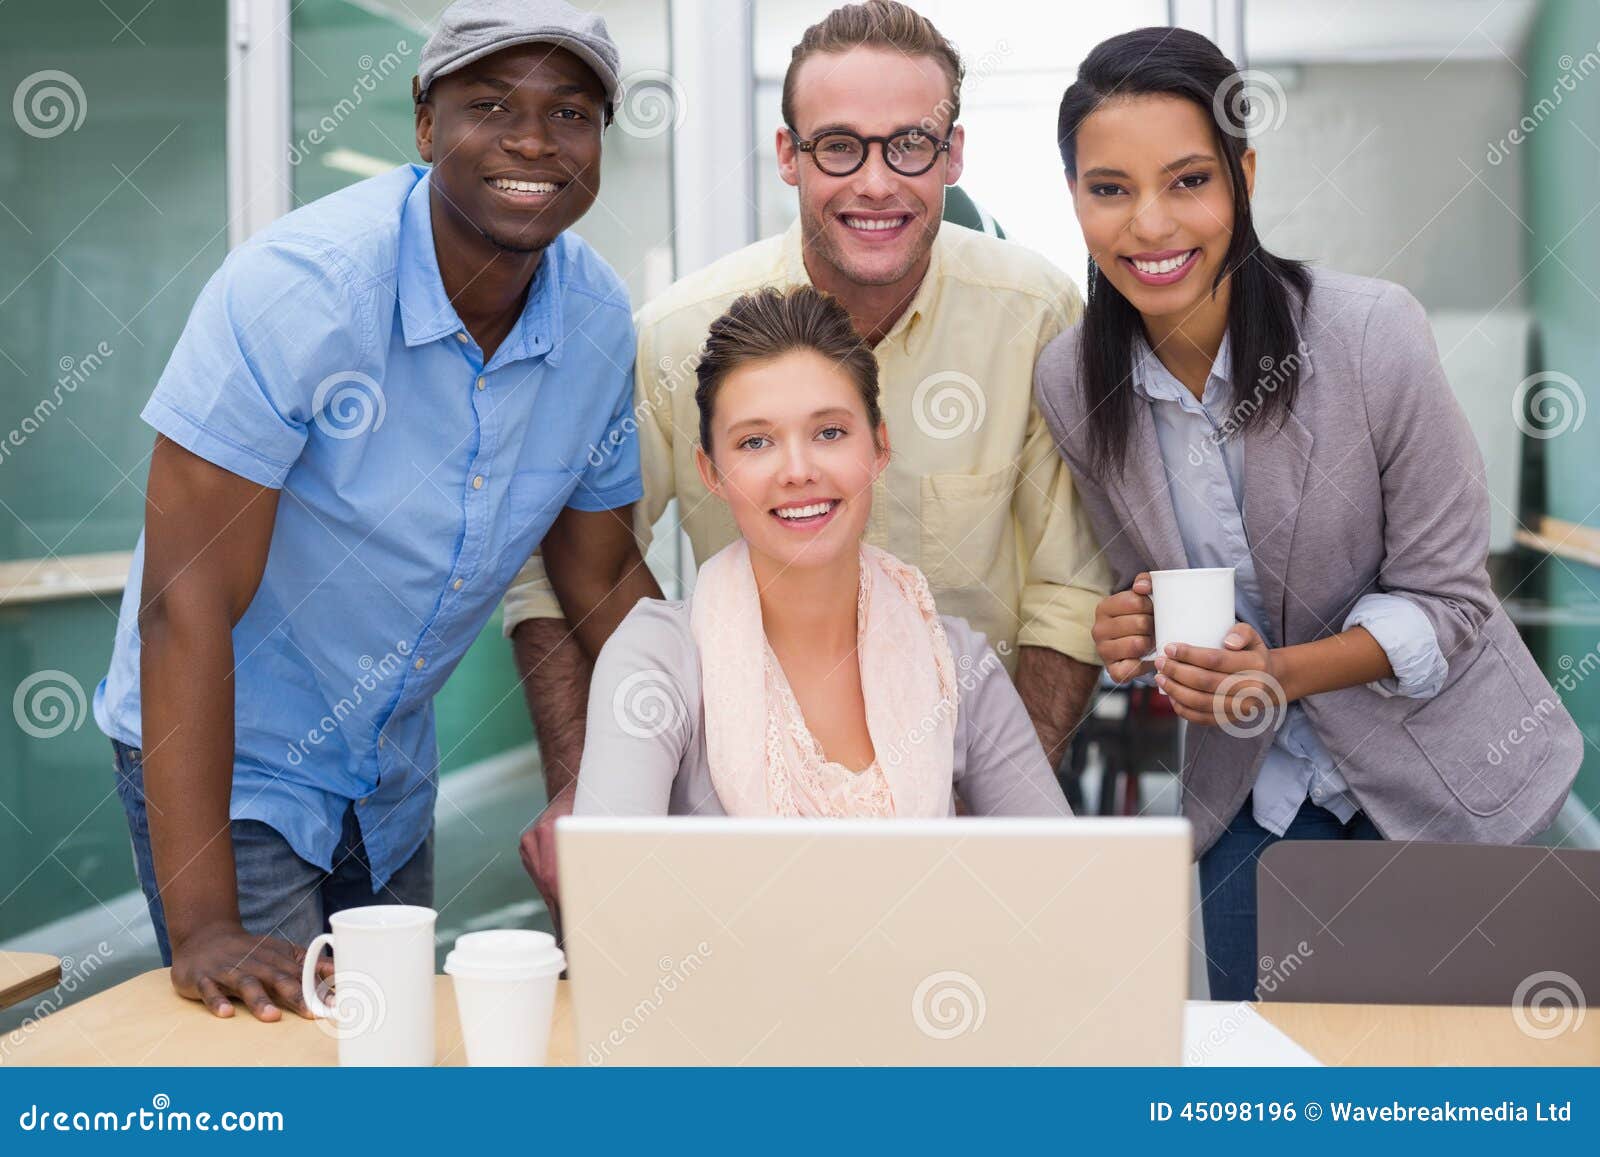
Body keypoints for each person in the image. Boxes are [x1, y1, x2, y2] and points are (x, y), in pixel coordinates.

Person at [91, 0, 659, 1021]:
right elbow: (185, 604)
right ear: (425, 122)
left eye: (570, 112)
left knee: (389, 1039)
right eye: (490, 104)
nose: (533, 140)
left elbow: (604, 576)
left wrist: (739, 743)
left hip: (388, 765)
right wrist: (208, 923)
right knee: (279, 1044)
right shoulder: (299, 289)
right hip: (235, 759)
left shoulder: (595, 322)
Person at [509, 0, 1107, 898]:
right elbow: (558, 558)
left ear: (952, 155)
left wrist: (971, 847)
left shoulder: (1039, 319)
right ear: (789, 155)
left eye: (910, 143)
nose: (876, 181)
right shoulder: (679, 341)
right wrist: (584, 780)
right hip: (722, 830)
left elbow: (1070, 592)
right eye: (839, 146)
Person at [1034, 27, 1582, 1000]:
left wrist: (1274, 672)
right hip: (1251, 795)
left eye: (1188, 180)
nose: (1149, 224)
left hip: (1452, 779)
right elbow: (1147, 569)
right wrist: (1136, 620)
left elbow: (1450, 601)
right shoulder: (1073, 383)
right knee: (1269, 1092)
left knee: (1475, 1088)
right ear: (1073, 195)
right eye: (1108, 188)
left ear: (1243, 176)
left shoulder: (1371, 334)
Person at [574, 286, 1071, 820]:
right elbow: (615, 896)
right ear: (712, 473)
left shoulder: (955, 663)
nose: (797, 471)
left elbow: (1060, 884)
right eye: (755, 442)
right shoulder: (655, 662)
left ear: (880, 447)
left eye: (829, 432)